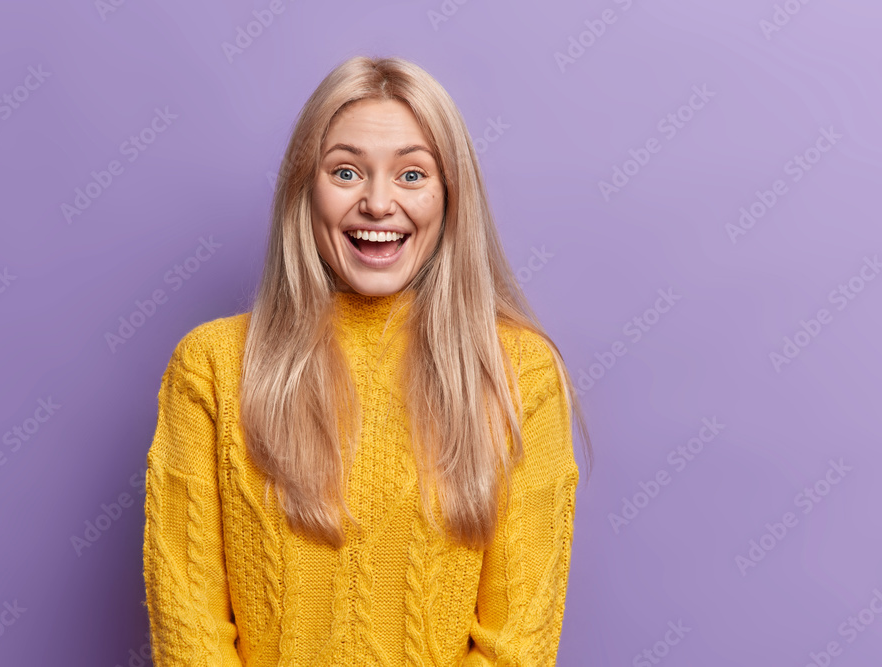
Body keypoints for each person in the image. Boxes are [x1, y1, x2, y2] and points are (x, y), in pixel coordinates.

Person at [142, 54, 593, 666]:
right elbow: (190, 632)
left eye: (412, 175)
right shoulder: (211, 368)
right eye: (347, 171)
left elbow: (517, 647)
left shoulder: (520, 374)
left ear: (450, 197)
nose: (378, 203)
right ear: (306, 189)